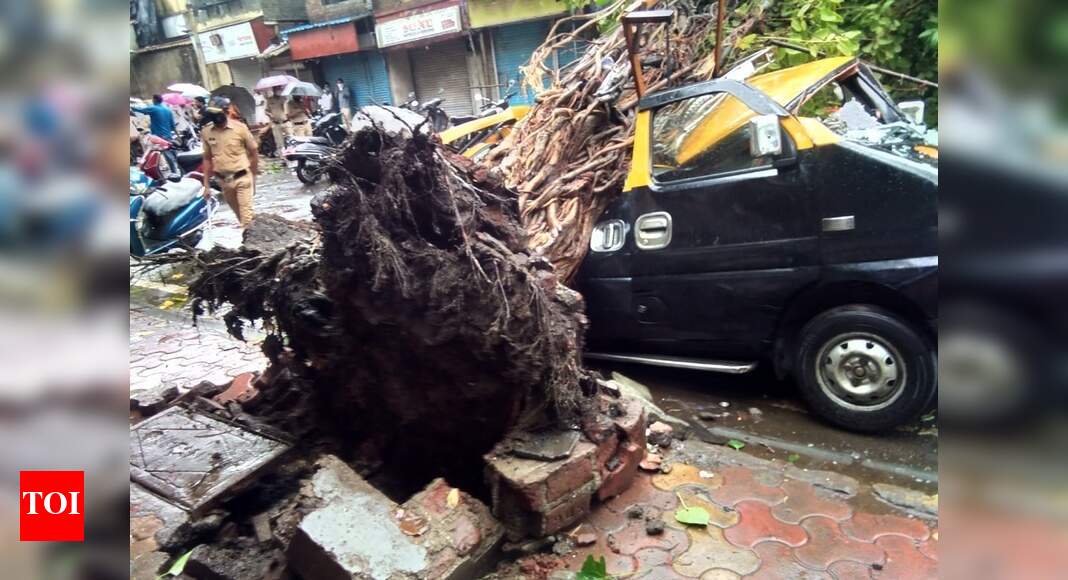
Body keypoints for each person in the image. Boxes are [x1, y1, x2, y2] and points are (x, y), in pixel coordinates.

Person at [200, 97, 259, 229]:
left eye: (218, 114)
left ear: (226, 112)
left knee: (246, 219)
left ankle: (250, 237)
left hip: (242, 178)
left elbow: (254, 152)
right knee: (241, 217)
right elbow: (207, 159)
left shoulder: (240, 128)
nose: (215, 118)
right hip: (224, 181)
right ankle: (257, 233)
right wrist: (206, 186)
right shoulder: (206, 132)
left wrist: (253, 176)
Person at [265, 87, 287, 156]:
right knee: (279, 142)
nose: (278, 91)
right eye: (276, 89)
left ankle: (292, 155)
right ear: (273, 90)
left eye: (279, 89)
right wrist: (270, 115)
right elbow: (266, 111)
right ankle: (282, 156)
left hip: (286, 122)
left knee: (290, 140)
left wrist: (284, 101)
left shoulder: (284, 98)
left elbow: (287, 110)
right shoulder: (269, 100)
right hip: (276, 123)